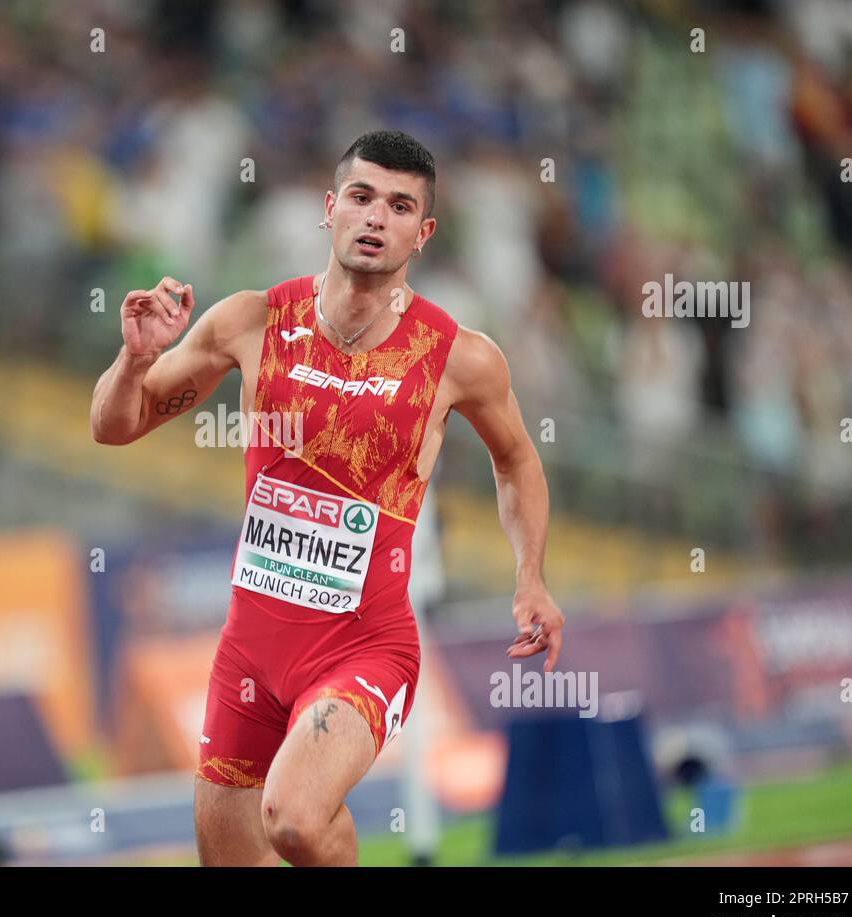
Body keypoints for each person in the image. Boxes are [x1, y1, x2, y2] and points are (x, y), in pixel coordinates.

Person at [91, 131, 564, 866]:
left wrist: (529, 575)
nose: (377, 218)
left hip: (364, 647)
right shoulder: (251, 320)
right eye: (362, 197)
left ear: (423, 232)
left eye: (400, 206)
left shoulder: (459, 356)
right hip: (250, 648)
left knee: (295, 820)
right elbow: (114, 426)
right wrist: (135, 358)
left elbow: (517, 462)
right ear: (329, 209)